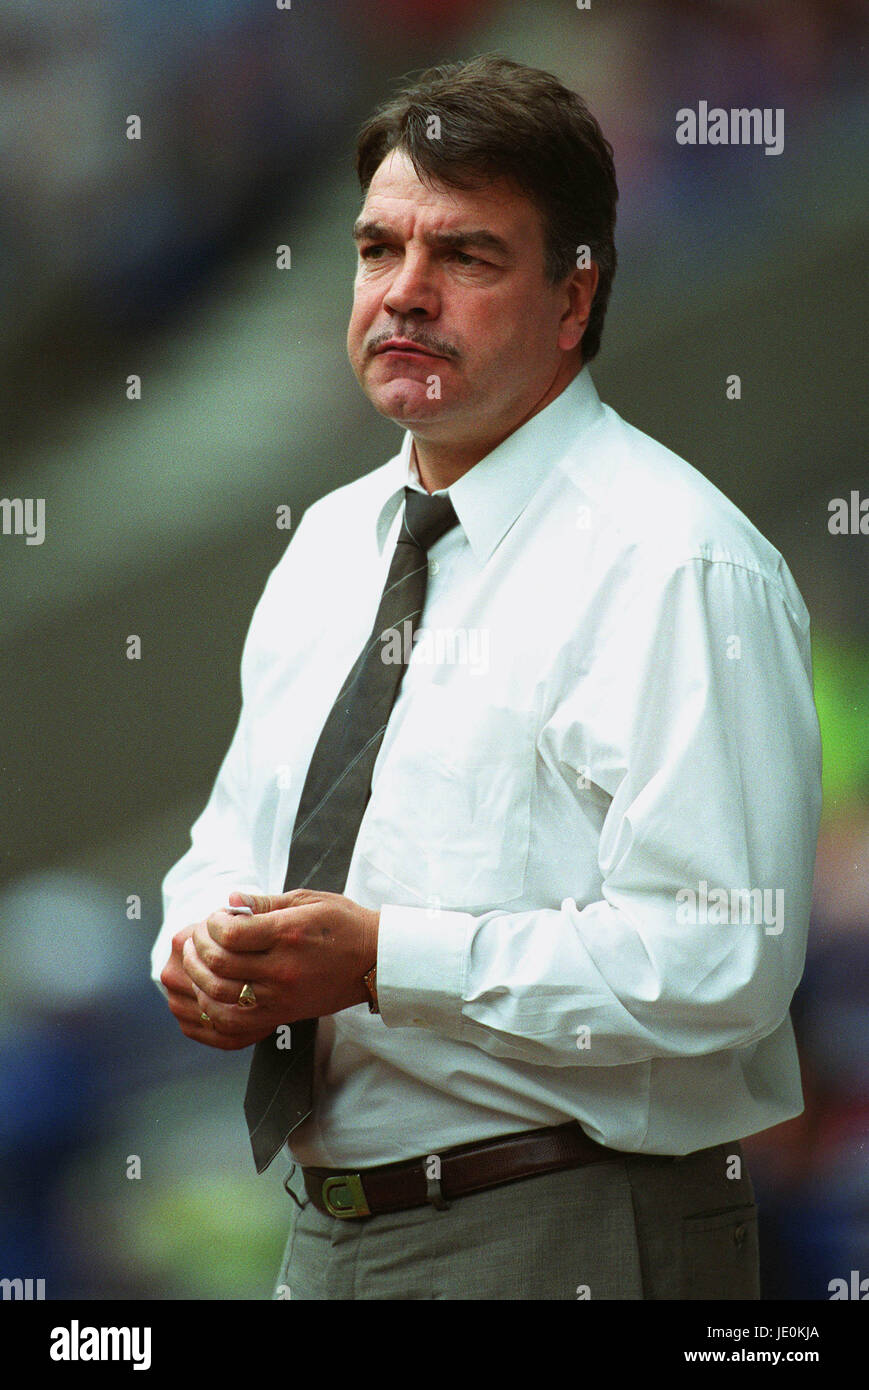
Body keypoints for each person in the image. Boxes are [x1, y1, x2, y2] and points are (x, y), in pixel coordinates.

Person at [151, 54, 822, 1300]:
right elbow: (226, 848)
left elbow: (725, 961)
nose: (402, 294)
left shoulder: (676, 565)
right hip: (323, 1230)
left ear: (575, 300)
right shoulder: (327, 543)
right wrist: (199, 951)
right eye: (375, 250)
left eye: (464, 257)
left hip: (566, 1224)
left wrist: (380, 958)